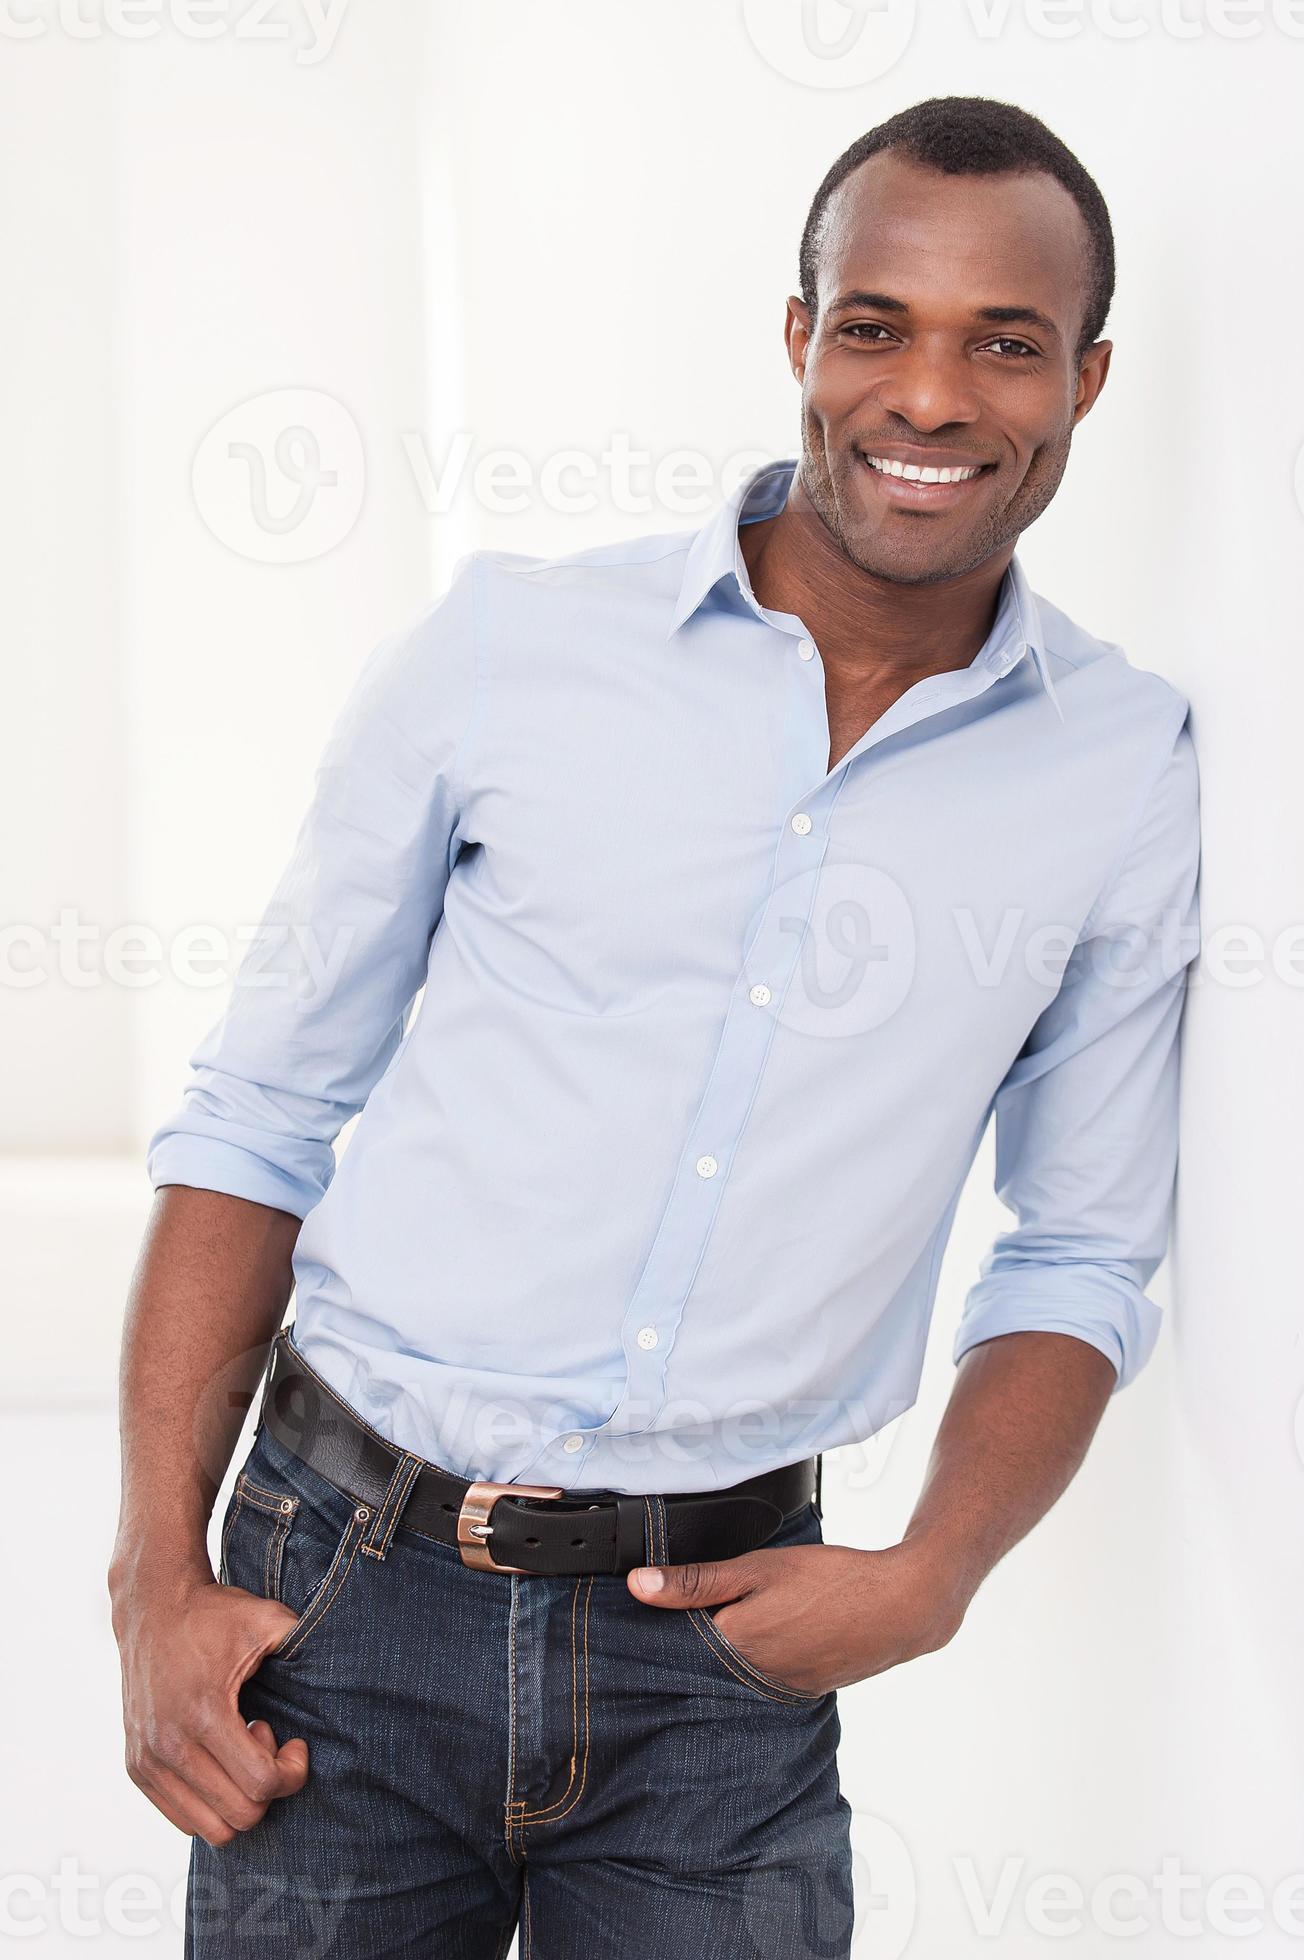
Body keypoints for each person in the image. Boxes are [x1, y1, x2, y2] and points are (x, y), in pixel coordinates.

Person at [109, 95, 1201, 1958]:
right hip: (338, 1601)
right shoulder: (509, 651)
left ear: (1087, 381)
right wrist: (153, 1579)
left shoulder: (1123, 766)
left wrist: (933, 1575)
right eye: (876, 325)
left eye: (1002, 343)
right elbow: (261, 1118)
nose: (930, 398)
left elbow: (1083, 1245)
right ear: (802, 338)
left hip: (720, 1660)